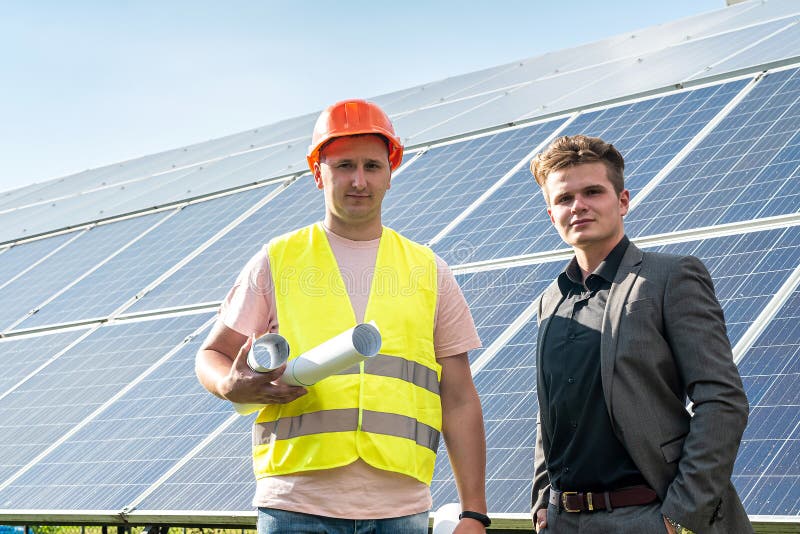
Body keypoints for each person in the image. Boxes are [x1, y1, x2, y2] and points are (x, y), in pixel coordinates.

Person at [195, 99, 489, 534]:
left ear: (390, 174)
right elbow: (213, 353)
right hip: (295, 504)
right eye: (343, 166)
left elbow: (460, 397)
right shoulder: (278, 259)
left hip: (400, 509)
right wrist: (228, 385)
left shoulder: (429, 270)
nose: (359, 181)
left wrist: (474, 511)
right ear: (318, 174)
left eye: (372, 166)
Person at [528, 135, 751, 534]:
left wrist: (681, 515)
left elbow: (722, 400)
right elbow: (551, 411)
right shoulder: (550, 300)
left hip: (647, 516)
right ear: (551, 214)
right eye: (564, 199)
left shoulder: (670, 277)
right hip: (565, 521)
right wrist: (544, 502)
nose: (578, 205)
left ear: (623, 200)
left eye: (593, 191)